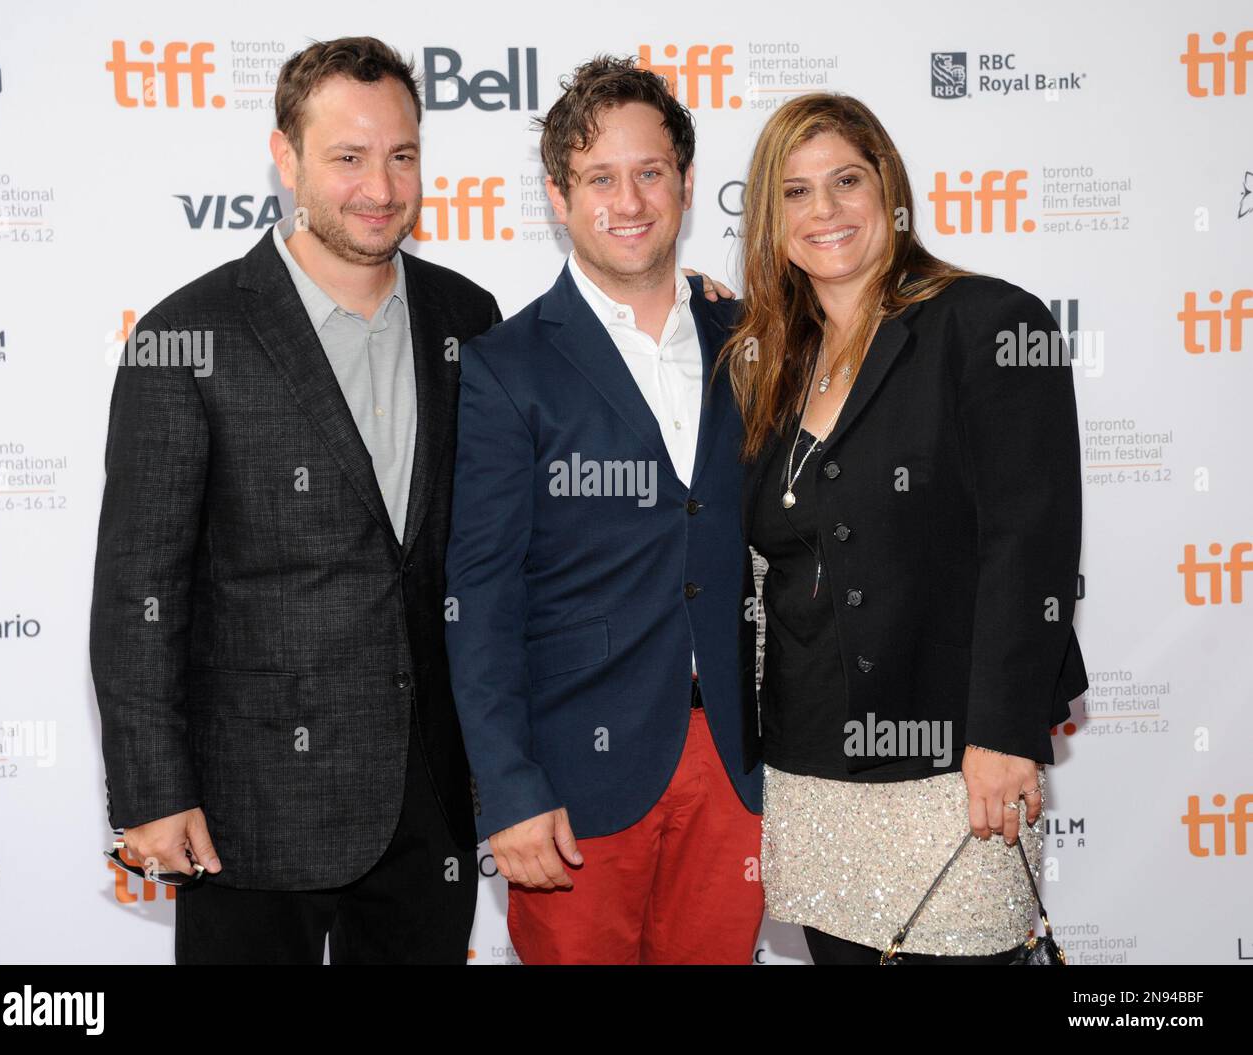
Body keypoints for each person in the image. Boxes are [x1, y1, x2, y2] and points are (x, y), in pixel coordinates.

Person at [90, 37, 501, 964]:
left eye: (401, 155)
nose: (381, 186)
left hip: (427, 798)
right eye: (348, 157)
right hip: (249, 809)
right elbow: (137, 591)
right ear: (286, 159)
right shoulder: (186, 335)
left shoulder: (467, 319)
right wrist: (152, 788)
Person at [720, 92, 1088, 964]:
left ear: (890, 187)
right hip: (812, 775)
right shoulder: (765, 363)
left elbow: (1030, 542)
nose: (827, 211)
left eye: (847, 180)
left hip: (955, 767)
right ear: (770, 219)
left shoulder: (989, 322)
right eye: (797, 192)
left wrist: (1002, 733)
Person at [444, 56, 764, 965]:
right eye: (598, 178)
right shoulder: (508, 367)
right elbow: (481, 596)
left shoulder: (750, 338)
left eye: (650, 171)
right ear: (558, 195)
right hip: (575, 778)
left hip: (739, 765)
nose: (628, 200)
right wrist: (505, 789)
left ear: (687, 181)